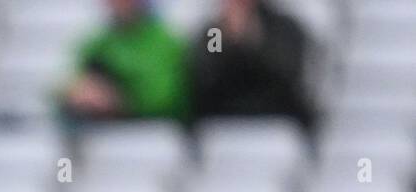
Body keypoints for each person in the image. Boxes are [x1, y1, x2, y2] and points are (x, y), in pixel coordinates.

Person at [192, 0, 315, 129]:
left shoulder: (283, 27)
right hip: (226, 122)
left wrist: (253, 41)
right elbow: (208, 78)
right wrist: (231, 43)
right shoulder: (216, 32)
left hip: (275, 120)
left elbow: (285, 76)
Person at [61, 0, 190, 122]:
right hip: (106, 131)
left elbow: (167, 99)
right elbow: (75, 88)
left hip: (157, 131)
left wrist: (118, 100)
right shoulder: (95, 45)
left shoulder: (167, 42)